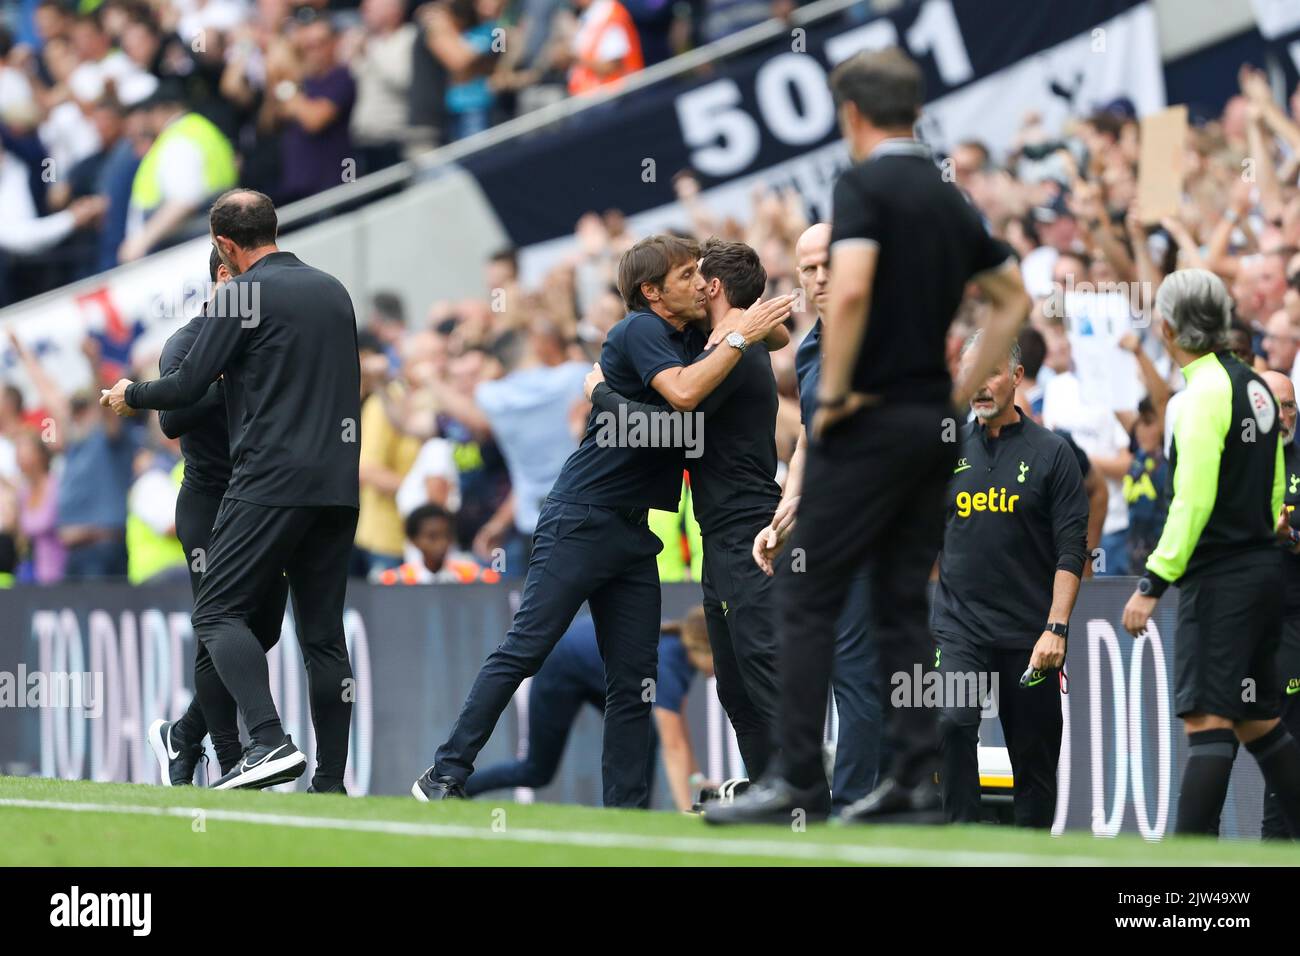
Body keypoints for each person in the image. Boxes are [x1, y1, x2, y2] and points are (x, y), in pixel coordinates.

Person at [706, 47, 1029, 825]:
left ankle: (795, 783)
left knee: (809, 595)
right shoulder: (952, 199)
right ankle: (912, 784)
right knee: (898, 605)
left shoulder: (863, 184)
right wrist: (954, 394)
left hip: (874, 419)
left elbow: (847, 294)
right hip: (932, 427)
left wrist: (840, 394)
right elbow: (1013, 302)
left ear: (850, 114)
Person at [411, 234, 791, 808]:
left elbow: (774, 333)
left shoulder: (690, 334)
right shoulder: (640, 330)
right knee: (526, 648)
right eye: (685, 275)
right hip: (582, 517)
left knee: (634, 681)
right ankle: (443, 772)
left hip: (635, 532)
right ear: (651, 292)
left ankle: (626, 811)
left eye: (699, 275)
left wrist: (741, 326)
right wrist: (612, 395)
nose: (697, 282)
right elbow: (679, 415)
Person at [102, 188, 362, 793]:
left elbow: (186, 382)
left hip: (269, 480)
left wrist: (129, 394)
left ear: (224, 244)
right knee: (322, 637)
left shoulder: (242, 294)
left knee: (217, 611)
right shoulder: (332, 289)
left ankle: (266, 741)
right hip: (338, 485)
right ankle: (329, 783)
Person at [587, 238, 785, 782]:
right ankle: (770, 790)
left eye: (698, 276)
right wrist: (744, 323)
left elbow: (672, 418)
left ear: (714, 286)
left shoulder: (726, 356)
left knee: (762, 670)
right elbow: (778, 331)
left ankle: (797, 792)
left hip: (747, 529)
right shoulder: (725, 342)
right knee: (735, 680)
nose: (693, 285)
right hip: (720, 531)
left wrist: (602, 394)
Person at [1121, 269, 1300, 838]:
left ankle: (1181, 878)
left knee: (1208, 726)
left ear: (1169, 329)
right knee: (1261, 723)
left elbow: (1192, 500)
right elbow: (1277, 492)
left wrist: (1152, 583)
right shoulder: (1258, 389)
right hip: (1266, 574)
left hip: (1218, 582)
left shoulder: (1197, 397)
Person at [145, 246, 290, 788]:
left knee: (266, 625)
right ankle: (231, 760)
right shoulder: (187, 342)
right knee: (219, 624)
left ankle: (183, 735)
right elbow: (172, 417)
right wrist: (224, 384)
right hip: (209, 503)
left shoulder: (261, 342)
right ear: (225, 277)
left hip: (261, 503)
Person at [751, 222, 882, 812]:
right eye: (808, 268)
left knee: (855, 669)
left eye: (829, 263)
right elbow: (809, 439)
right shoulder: (808, 348)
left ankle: (854, 803)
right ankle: (837, 798)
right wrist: (784, 513)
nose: (820, 276)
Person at [932, 332, 1088, 826]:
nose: (980, 385)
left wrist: (1056, 628)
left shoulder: (1053, 453)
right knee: (951, 723)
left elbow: (1072, 550)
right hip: (960, 627)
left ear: (1018, 377)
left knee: (1035, 766)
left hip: (1029, 634)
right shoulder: (946, 444)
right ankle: (962, 845)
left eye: (992, 372)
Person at [466, 608, 713, 811]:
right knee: (536, 771)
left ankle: (633, 815)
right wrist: (686, 813)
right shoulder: (668, 662)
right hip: (562, 666)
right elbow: (674, 747)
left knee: (643, 735)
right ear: (702, 648)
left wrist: (696, 780)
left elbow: (679, 732)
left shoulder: (684, 657)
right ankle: (462, 787)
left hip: (596, 670)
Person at [1261, 369, 1300, 839]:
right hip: (1241, 616)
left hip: (1291, 615)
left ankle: (1274, 843)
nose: (1284, 416)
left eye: (1289, 406)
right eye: (1275, 406)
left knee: (1284, 733)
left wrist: (1288, 536)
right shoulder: (1234, 455)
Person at [377, 503, 500, 584]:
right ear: (413, 540)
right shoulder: (396, 581)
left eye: (446, 535)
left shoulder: (473, 576)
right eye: (432, 537)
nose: (442, 543)